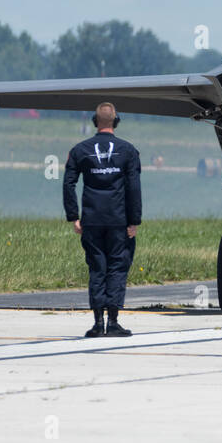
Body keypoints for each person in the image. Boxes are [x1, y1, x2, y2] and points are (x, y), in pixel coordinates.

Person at [64, 101, 142, 337]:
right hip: (118, 220)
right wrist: (134, 220)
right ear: (116, 121)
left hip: (92, 220)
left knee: (97, 268)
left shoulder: (80, 150)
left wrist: (73, 217)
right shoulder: (128, 151)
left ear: (94, 121)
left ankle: (98, 324)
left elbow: (68, 183)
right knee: (117, 267)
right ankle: (114, 322)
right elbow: (134, 187)